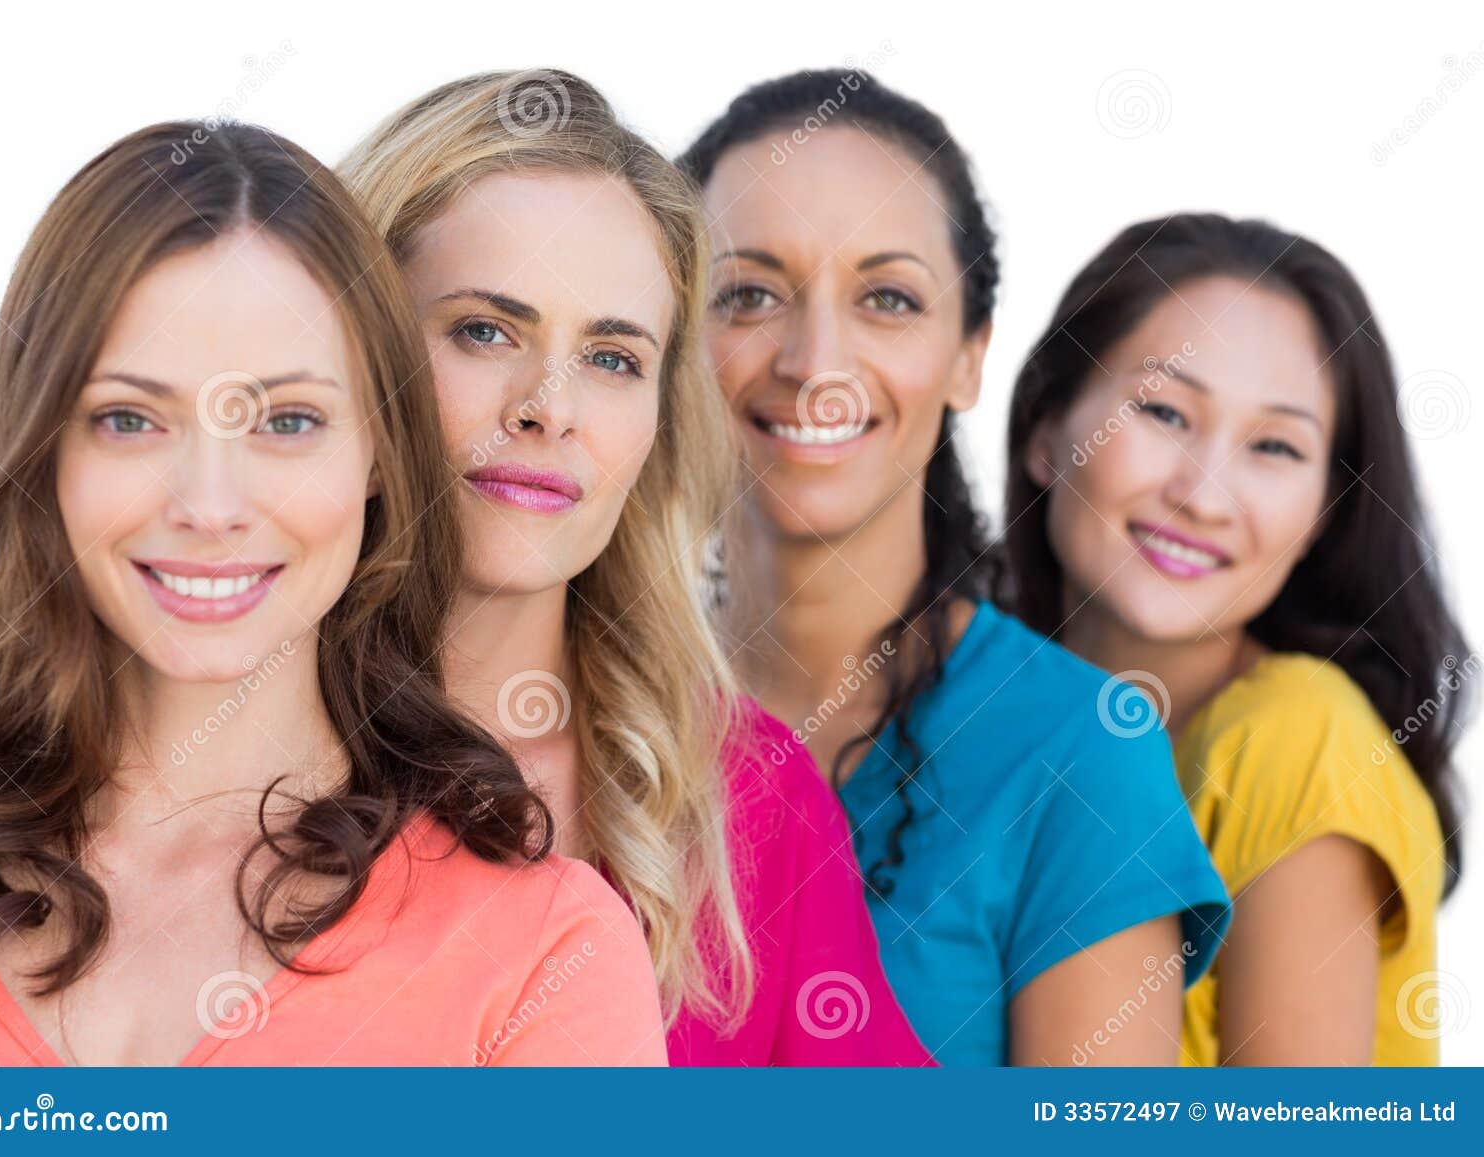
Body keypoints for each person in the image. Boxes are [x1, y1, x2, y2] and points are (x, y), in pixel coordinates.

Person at [0, 120, 664, 1067]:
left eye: (287, 421)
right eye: (131, 418)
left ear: (381, 454)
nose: (211, 506)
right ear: (45, 449)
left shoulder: (547, 953)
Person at [341, 70, 929, 1064]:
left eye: (612, 357)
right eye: (485, 331)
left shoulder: (748, 794)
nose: (547, 407)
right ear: (349, 347)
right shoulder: (189, 740)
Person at [681, 70, 1231, 1065]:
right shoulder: (601, 708)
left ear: (969, 354)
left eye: (886, 298)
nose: (815, 360)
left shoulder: (1082, 754)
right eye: (749, 293)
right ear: (676, 337)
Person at [1004, 211, 1470, 1065]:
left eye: (1274, 446)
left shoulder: (1294, 740)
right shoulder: (984, 715)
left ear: (1325, 512)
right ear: (1046, 428)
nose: (1203, 493)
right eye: (1165, 413)